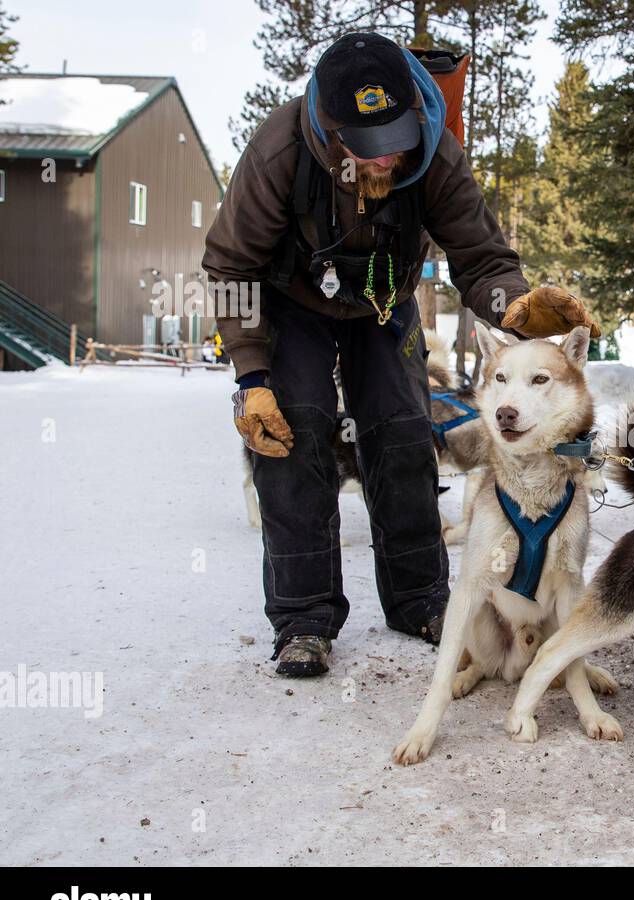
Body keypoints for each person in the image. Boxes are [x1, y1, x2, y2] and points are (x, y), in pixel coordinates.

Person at [203, 32, 597, 677]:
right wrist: (251, 374)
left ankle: (421, 599)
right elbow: (230, 265)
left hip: (383, 305)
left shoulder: (435, 150)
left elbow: (482, 258)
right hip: (290, 304)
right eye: (369, 150)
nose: (387, 162)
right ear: (331, 133)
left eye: (397, 143)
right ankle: (304, 618)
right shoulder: (279, 147)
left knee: (404, 435)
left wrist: (516, 310)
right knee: (292, 437)